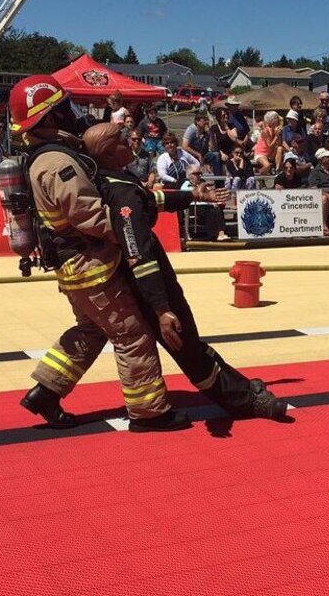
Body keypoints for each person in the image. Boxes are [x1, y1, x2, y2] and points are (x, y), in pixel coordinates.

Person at [9, 74, 190, 433]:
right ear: (50, 118)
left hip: (74, 269)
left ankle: (45, 391)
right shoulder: (56, 162)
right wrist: (131, 227)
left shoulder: (45, 157)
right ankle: (149, 413)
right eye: (63, 108)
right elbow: (89, 215)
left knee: (91, 331)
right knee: (132, 334)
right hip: (92, 267)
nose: (71, 113)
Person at [83, 121, 291, 420]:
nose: (129, 141)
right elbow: (139, 255)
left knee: (189, 346)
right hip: (153, 287)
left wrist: (194, 195)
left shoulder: (119, 181)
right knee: (189, 349)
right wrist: (161, 308)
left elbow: (152, 200)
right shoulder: (122, 195)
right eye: (120, 140)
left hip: (149, 285)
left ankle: (45, 394)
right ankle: (244, 401)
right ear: (108, 153)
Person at [252, 110, 280, 176]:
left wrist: (278, 136)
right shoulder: (265, 131)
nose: (278, 120)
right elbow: (269, 145)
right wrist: (276, 136)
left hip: (270, 153)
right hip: (261, 153)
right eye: (276, 118)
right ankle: (258, 176)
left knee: (280, 148)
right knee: (267, 166)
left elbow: (278, 143)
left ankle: (277, 169)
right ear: (272, 120)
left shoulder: (274, 129)